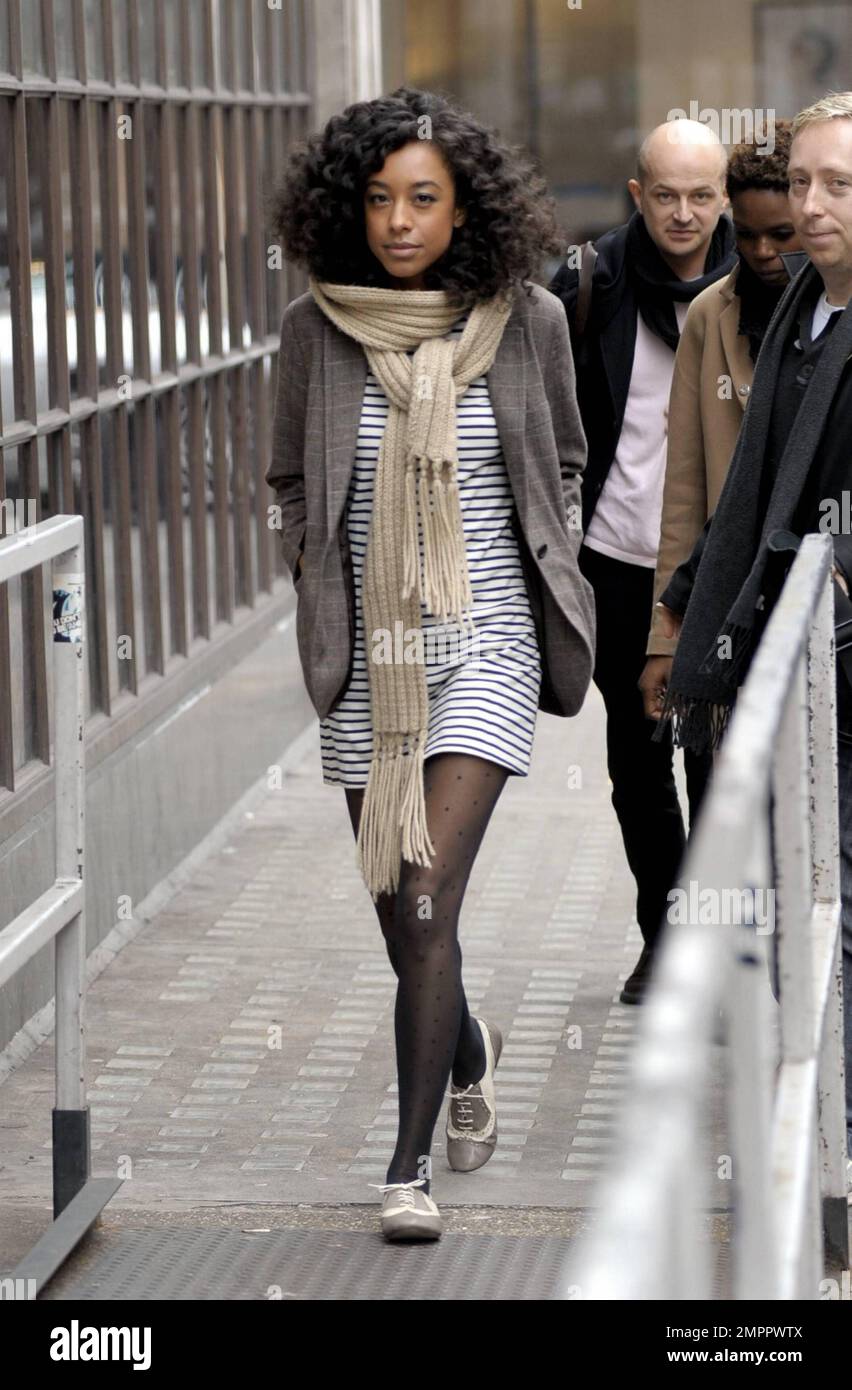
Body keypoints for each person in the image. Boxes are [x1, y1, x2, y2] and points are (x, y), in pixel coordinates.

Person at [264, 87, 595, 1241]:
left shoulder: (530, 321)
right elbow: (289, 481)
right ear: (345, 209)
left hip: (489, 640)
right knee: (405, 919)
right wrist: (312, 561)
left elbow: (562, 458)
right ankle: (468, 1040)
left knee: (422, 892)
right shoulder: (316, 329)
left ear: (467, 210)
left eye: (423, 199)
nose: (399, 221)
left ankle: (406, 1167)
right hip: (369, 660)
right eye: (378, 198)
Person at [656, 92, 852, 1166]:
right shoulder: (800, 310)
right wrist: (688, 598)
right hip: (777, 647)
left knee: (834, 891)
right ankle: (810, 1120)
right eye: (806, 182)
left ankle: (832, 1146)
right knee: (793, 890)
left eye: (838, 187)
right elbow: (742, 495)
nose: (812, 208)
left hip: (830, 657)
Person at [549, 120, 737, 1002]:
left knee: (713, 756)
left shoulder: (762, 280)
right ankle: (662, 937)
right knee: (637, 760)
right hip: (616, 565)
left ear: (725, 196)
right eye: (666, 194)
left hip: (718, 565)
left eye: (702, 195)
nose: (684, 213)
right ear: (638, 195)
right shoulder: (593, 282)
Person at [640, 122, 805, 722]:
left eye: (782, 235)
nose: (763, 253)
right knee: (716, 792)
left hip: (815, 594)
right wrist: (665, 638)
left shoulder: (833, 312)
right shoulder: (711, 314)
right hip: (723, 595)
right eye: (749, 236)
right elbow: (683, 491)